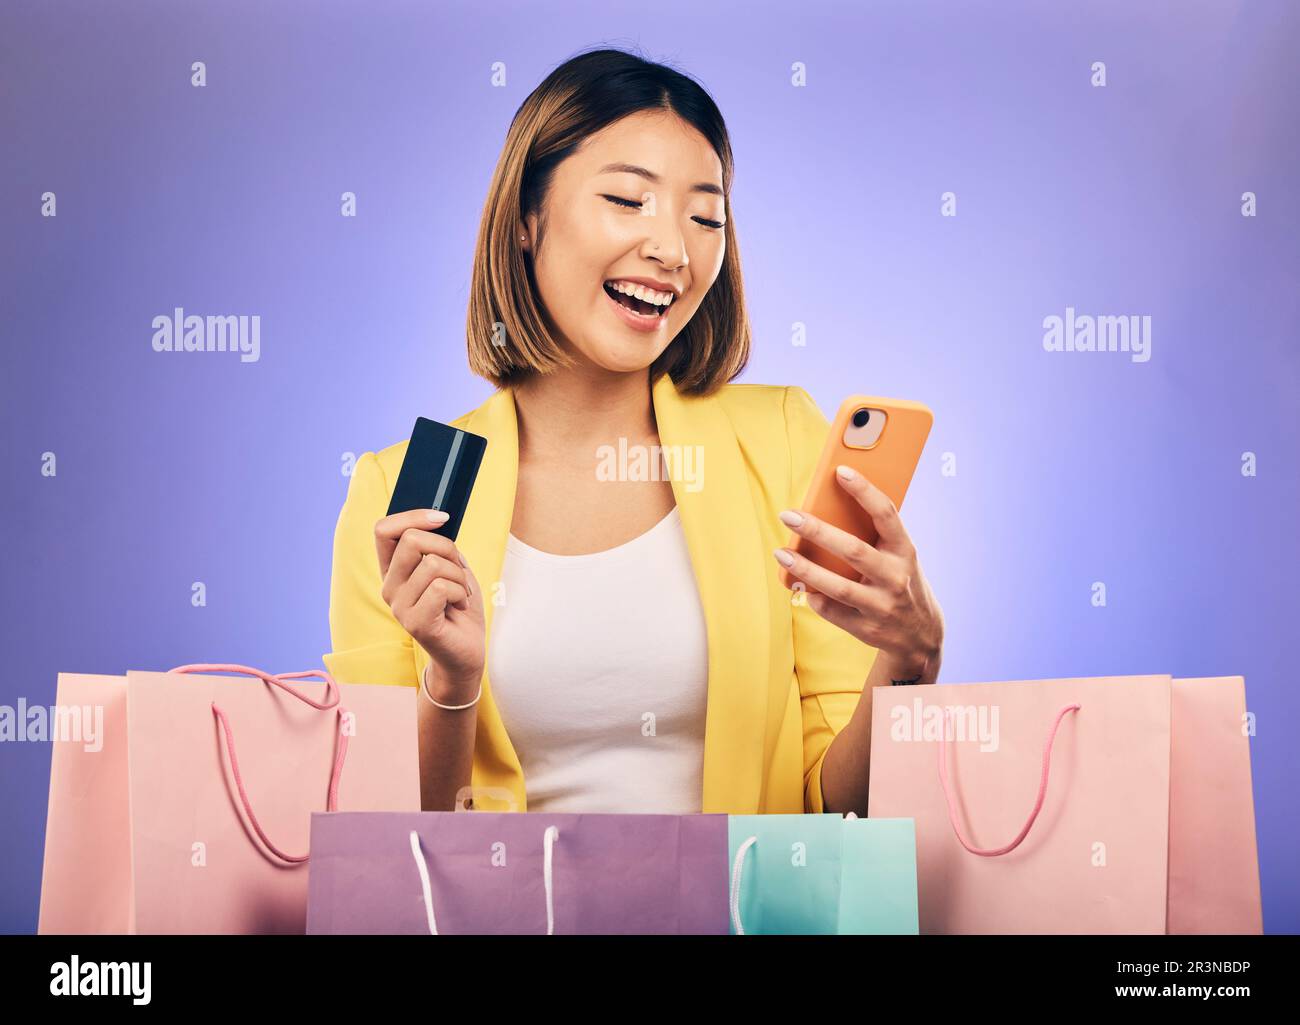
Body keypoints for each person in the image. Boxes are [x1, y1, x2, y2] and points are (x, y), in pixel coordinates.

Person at [325, 47, 944, 816]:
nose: (673, 250)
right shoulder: (404, 492)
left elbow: (837, 811)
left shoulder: (781, 442)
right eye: (627, 199)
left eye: (705, 215)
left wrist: (909, 659)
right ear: (527, 220)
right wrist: (450, 683)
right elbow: (384, 844)